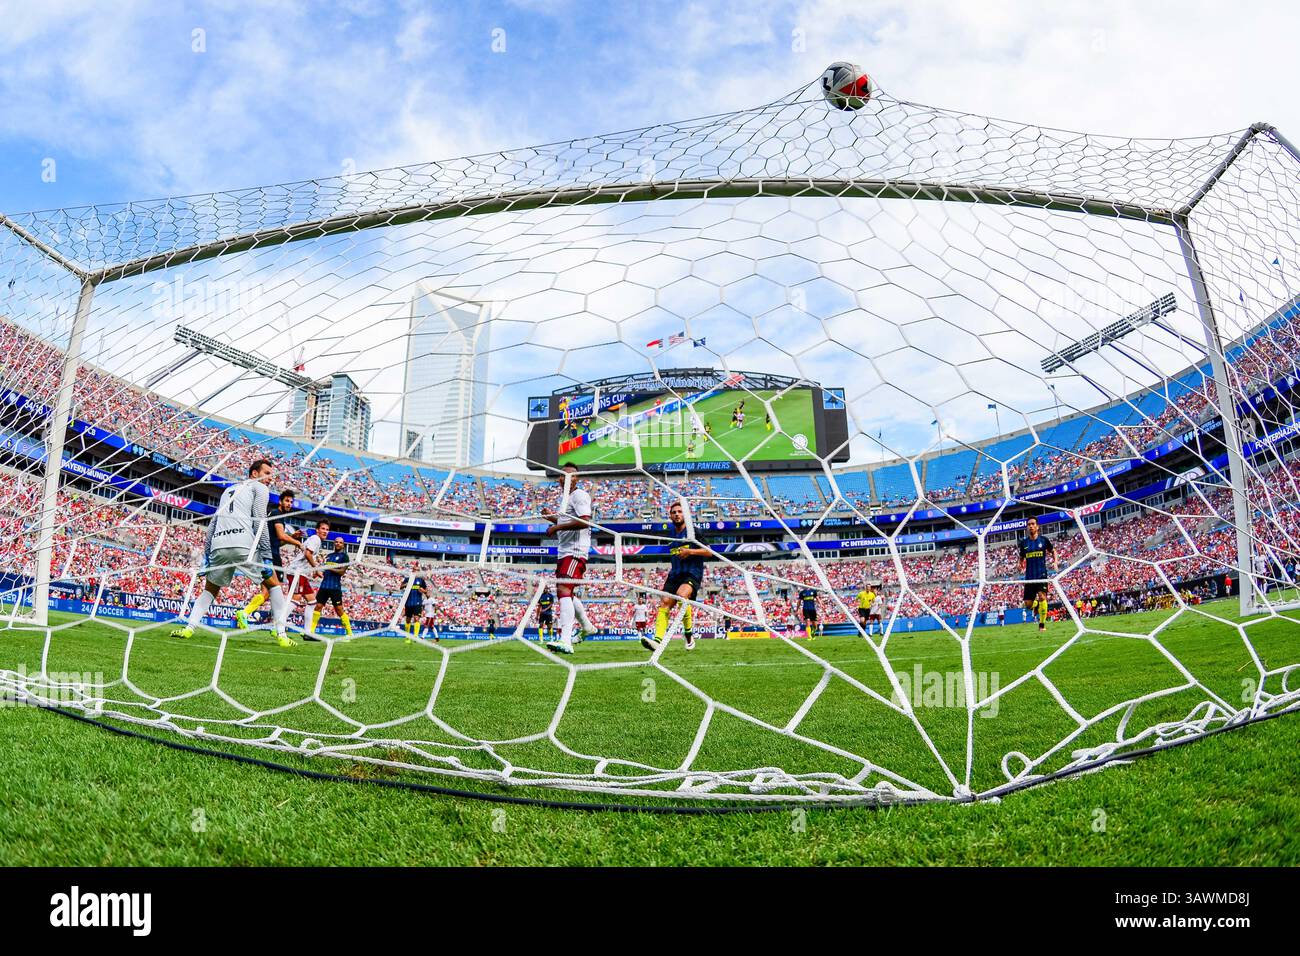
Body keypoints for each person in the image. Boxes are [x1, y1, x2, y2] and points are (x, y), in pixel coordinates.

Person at [170, 459, 294, 648]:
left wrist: (207, 556)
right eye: (267, 473)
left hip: (219, 544)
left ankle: (189, 627)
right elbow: (259, 520)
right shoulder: (259, 489)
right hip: (243, 543)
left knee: (210, 589)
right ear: (254, 474)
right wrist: (267, 556)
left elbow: (213, 523)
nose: (271, 478)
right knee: (274, 585)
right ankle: (282, 635)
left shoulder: (228, 491)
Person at [543, 463, 598, 655]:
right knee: (567, 592)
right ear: (559, 479)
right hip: (564, 551)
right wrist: (551, 519)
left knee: (564, 589)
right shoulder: (565, 499)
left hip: (575, 551)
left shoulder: (579, 495)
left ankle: (565, 640)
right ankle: (587, 626)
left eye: (571, 476)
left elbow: (585, 521)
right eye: (563, 475)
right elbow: (566, 521)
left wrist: (556, 527)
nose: (566, 478)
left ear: (577, 479)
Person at [643, 501, 712, 652]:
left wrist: (690, 552)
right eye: (674, 512)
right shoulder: (671, 535)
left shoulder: (695, 532)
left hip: (692, 573)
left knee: (682, 596)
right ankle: (657, 641)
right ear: (670, 516)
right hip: (675, 574)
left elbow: (709, 552)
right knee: (664, 603)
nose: (677, 514)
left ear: (685, 515)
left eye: (680, 511)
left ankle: (688, 635)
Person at [235, 488, 301, 630]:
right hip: (272, 557)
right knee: (276, 591)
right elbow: (282, 536)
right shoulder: (278, 514)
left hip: (265, 553)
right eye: (287, 501)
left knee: (266, 592)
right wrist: (298, 543)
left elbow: (278, 541)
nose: (289, 504)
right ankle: (278, 627)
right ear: (280, 501)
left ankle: (247, 614)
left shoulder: (273, 514)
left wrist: (292, 538)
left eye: (291, 502)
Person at [306, 535, 352, 640]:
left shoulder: (345, 557)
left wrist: (330, 568)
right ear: (334, 543)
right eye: (336, 542)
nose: (338, 544)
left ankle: (349, 633)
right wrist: (318, 572)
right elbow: (323, 569)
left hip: (335, 587)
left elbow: (341, 572)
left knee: (339, 610)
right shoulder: (329, 556)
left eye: (340, 542)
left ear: (343, 545)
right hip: (324, 586)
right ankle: (311, 631)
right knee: (317, 607)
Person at [1019, 516, 1057, 633]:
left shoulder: (1044, 540)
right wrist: (1020, 566)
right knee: (1028, 604)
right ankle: (1035, 606)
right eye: (1029, 524)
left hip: (1041, 574)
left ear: (1037, 526)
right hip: (1029, 577)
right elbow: (1021, 558)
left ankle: (1042, 624)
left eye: (1033, 524)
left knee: (1042, 596)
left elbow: (1053, 551)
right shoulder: (1024, 543)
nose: (1031, 526)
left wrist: (1055, 561)